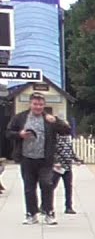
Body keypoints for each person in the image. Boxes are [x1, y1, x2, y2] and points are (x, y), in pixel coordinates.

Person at [5, 92, 71, 225]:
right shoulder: (20, 118)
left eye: (41, 104)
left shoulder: (49, 119)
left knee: (46, 185)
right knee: (29, 187)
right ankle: (31, 213)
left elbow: (66, 131)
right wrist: (20, 134)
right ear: (30, 104)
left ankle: (48, 212)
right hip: (26, 158)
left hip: (45, 159)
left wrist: (57, 121)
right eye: (35, 104)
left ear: (44, 105)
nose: (38, 107)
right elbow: (8, 133)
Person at [52, 130, 81, 214]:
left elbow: (71, 152)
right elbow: (53, 152)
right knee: (51, 187)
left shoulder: (68, 140)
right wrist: (55, 162)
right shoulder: (56, 140)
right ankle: (45, 205)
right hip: (58, 168)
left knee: (68, 188)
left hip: (68, 168)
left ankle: (68, 207)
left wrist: (76, 160)